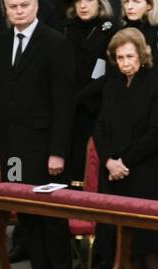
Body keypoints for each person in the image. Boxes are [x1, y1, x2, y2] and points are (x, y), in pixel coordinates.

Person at [0, 0, 74, 269]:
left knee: (52, 218)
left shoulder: (55, 42)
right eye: (13, 6)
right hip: (12, 148)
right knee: (25, 214)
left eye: (24, 4)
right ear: (5, 10)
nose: (19, 10)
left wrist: (58, 151)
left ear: (36, 6)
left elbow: (64, 103)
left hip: (45, 147)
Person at [94, 27, 158, 269]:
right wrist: (109, 161)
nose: (125, 63)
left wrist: (123, 162)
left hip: (145, 174)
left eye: (130, 56)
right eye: (120, 58)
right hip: (116, 176)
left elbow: (157, 133)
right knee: (124, 239)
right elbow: (100, 128)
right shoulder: (112, 86)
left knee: (148, 240)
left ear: (141, 55)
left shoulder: (157, 87)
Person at [63, 0, 116, 184]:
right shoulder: (66, 28)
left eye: (89, 0)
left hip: (96, 104)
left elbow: (111, 72)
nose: (83, 6)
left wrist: (83, 95)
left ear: (100, 4)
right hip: (69, 104)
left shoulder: (111, 29)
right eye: (78, 1)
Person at [119, 0, 158, 74]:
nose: (129, 7)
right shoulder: (120, 31)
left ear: (149, 5)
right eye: (126, 2)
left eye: (136, 2)